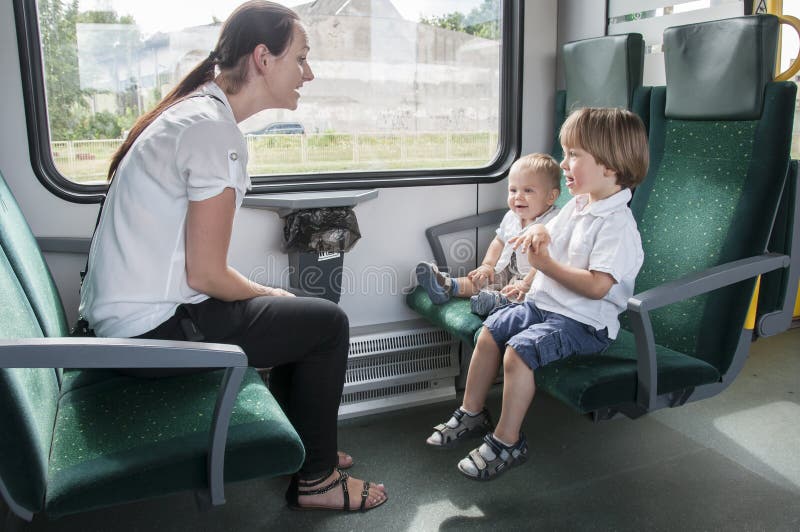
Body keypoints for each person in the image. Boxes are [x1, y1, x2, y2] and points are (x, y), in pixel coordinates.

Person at [79, 1, 386, 512]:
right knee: (325, 322)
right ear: (264, 59)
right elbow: (206, 273)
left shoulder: (198, 114)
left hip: (128, 321)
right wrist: (270, 292)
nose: (309, 73)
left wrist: (275, 299)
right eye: (302, 58)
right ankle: (318, 482)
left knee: (300, 317)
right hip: (150, 334)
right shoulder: (212, 131)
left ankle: (307, 449)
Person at [425, 107, 649, 481]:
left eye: (574, 155)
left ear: (610, 167)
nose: (565, 163)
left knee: (518, 353)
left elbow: (596, 287)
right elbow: (550, 233)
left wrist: (544, 266)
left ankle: (508, 441)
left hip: (585, 322)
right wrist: (538, 236)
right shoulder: (578, 205)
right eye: (565, 154)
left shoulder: (617, 225)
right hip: (546, 305)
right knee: (490, 332)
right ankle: (472, 411)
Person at [415, 153, 561, 317]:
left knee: (521, 294)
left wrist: (525, 284)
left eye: (528, 190)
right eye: (513, 190)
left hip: (533, 278)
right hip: (507, 268)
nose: (517, 196)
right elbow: (499, 241)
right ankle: (447, 286)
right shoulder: (512, 216)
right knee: (482, 279)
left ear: (551, 197)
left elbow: (548, 261)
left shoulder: (554, 222)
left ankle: (496, 302)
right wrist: (487, 265)